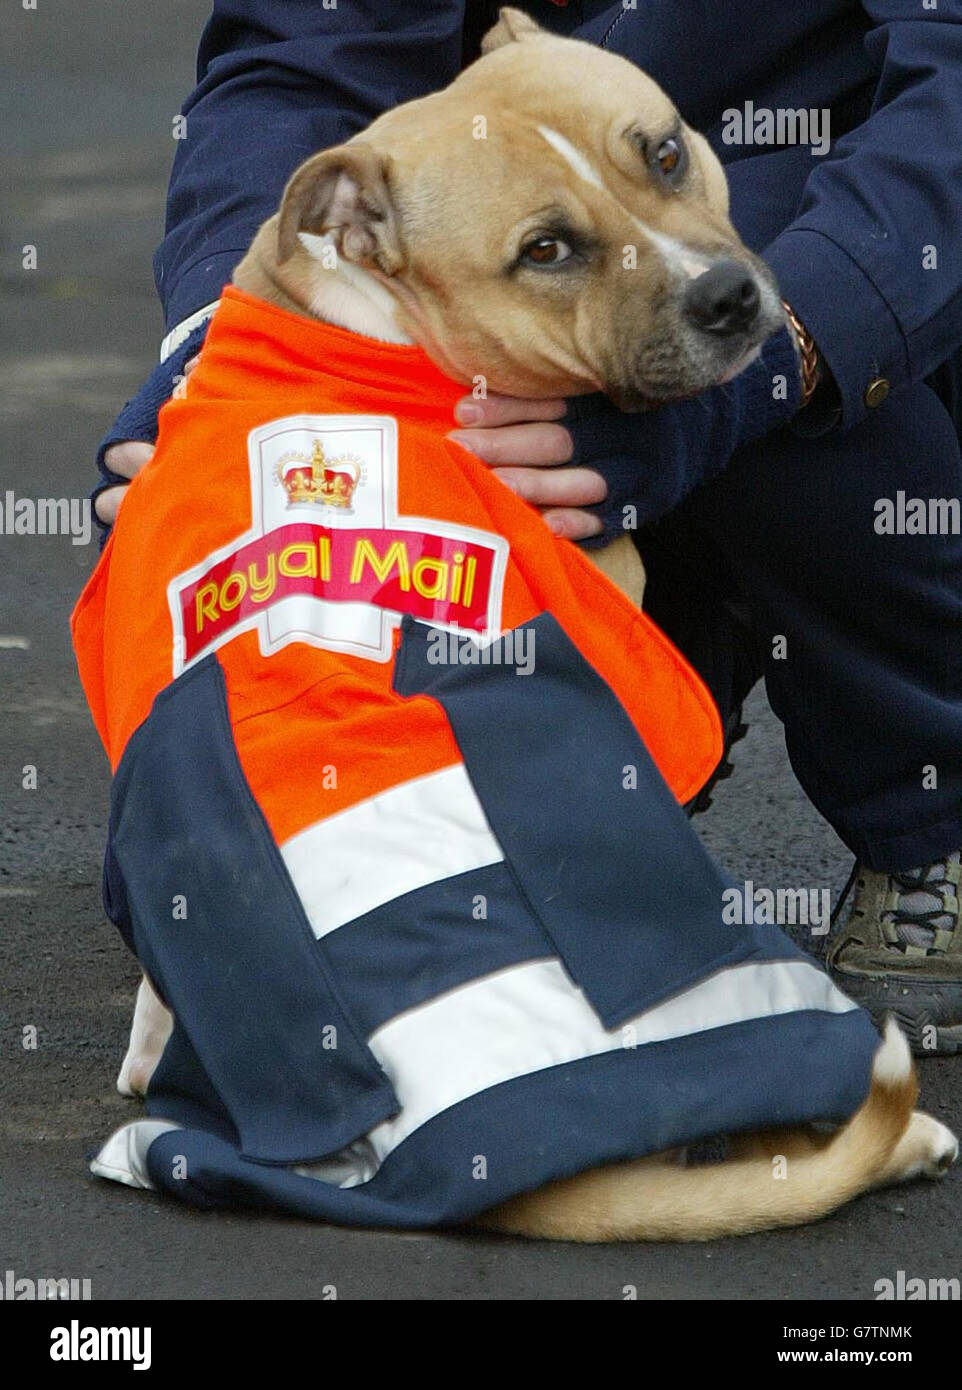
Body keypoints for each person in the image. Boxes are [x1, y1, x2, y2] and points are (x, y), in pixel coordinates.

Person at [91, 0, 962, 1052]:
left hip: (872, 215)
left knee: (822, 434)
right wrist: (236, 351)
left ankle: (928, 823)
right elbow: (300, 60)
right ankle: (499, 810)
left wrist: (784, 356)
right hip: (525, 257)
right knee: (253, 501)